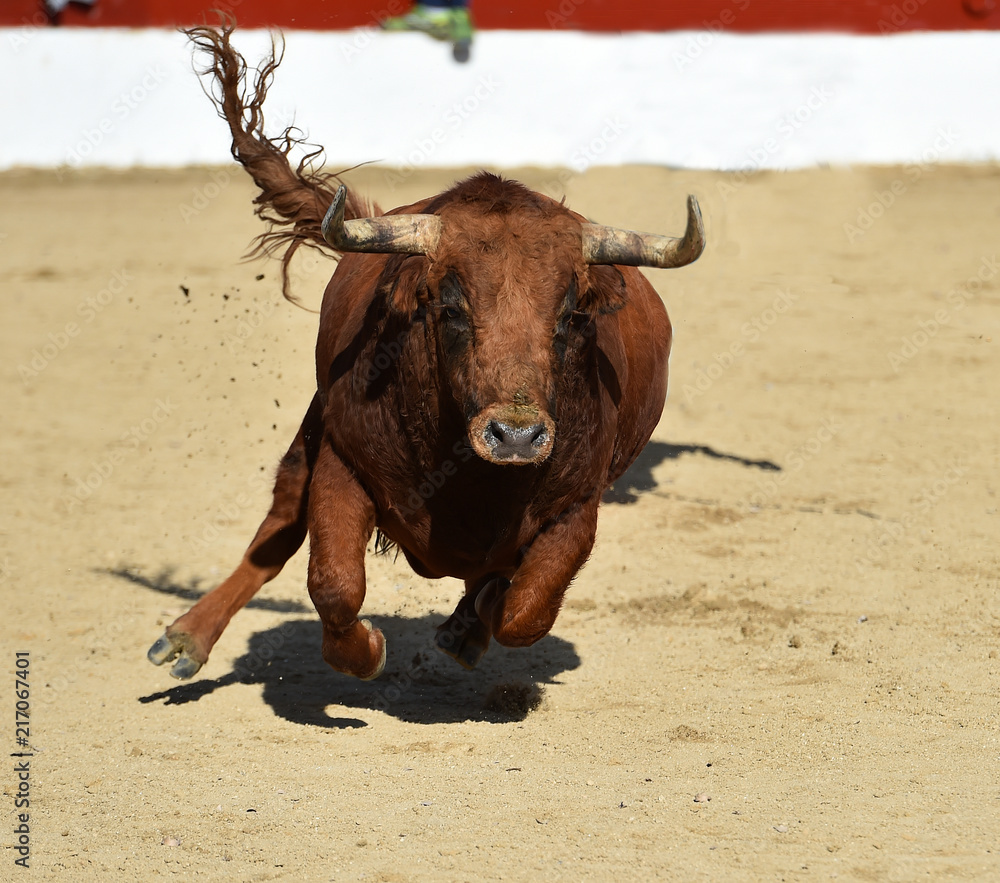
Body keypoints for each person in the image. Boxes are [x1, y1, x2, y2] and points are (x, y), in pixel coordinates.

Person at [381, 2, 474, 63]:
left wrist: (391, 25)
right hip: (431, 8)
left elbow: (415, 25)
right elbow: (415, 25)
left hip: (432, 7)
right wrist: (391, 25)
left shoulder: (446, 35)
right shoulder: (443, 35)